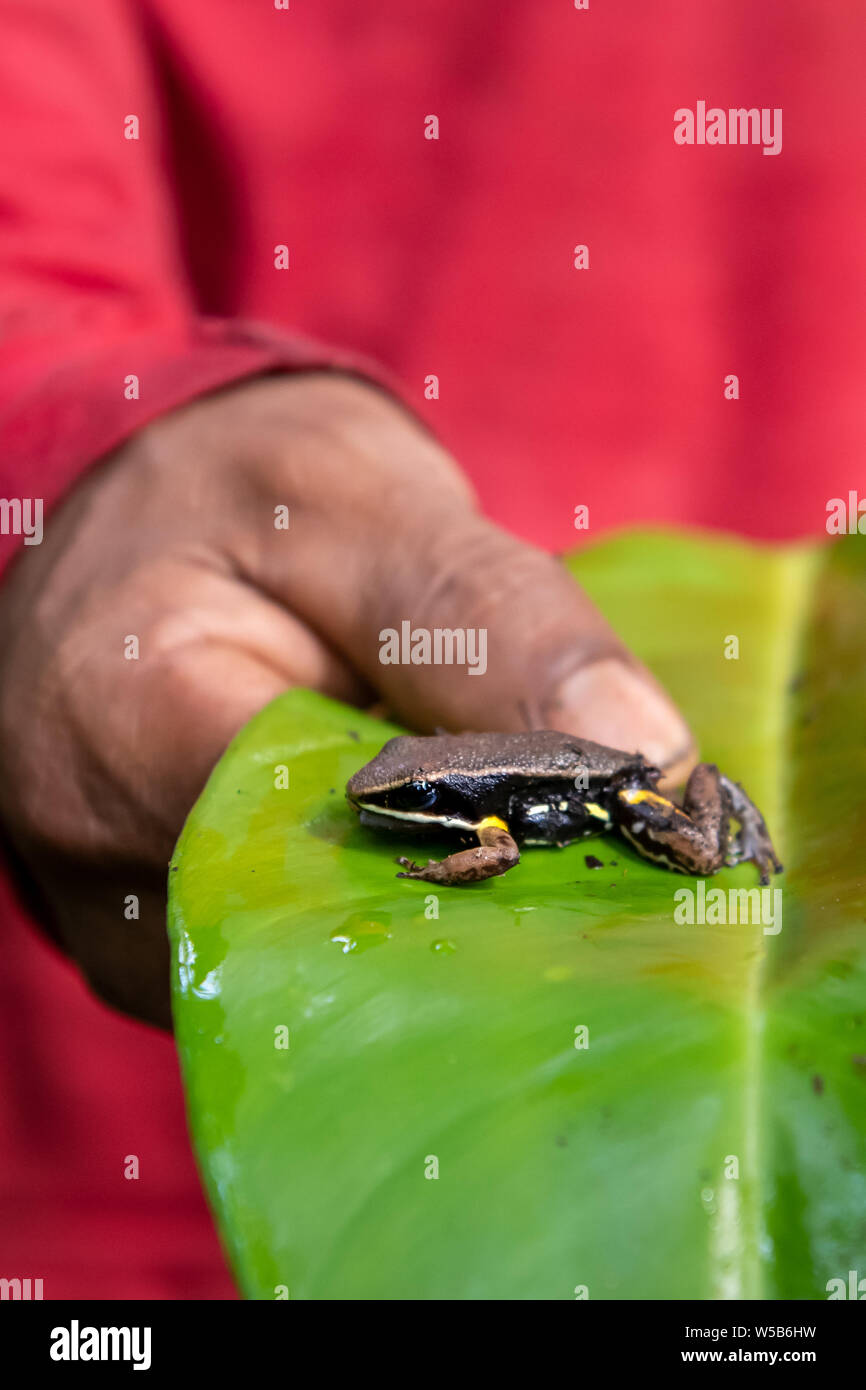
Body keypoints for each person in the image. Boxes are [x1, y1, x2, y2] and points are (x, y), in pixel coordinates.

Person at [0, 1, 859, 1298]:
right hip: (130, 1185)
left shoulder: (485, 816)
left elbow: (497, 845)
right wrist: (58, 409)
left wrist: (443, 863)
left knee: (696, 860)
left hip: (642, 764)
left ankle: (741, 842)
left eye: (416, 798)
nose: (391, 806)